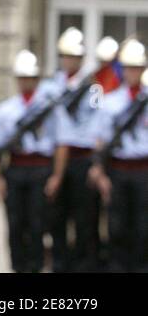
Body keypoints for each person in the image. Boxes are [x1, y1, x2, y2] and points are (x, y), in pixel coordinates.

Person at [0, 50, 57, 273]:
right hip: (15, 168)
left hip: (39, 168)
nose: (26, 82)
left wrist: (55, 175)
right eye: (23, 77)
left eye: (31, 77)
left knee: (37, 223)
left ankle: (35, 267)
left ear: (37, 80)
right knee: (15, 224)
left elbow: (59, 143)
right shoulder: (5, 110)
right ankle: (17, 268)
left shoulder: (47, 107)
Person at [88, 38, 147, 273]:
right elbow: (100, 141)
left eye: (137, 67)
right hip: (118, 169)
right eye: (129, 67)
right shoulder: (110, 102)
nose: (133, 72)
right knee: (117, 225)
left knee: (144, 226)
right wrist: (100, 173)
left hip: (144, 169)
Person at [45, 27, 102, 272]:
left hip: (82, 157)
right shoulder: (51, 86)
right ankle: (59, 265)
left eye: (75, 57)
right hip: (56, 158)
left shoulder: (93, 88)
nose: (70, 61)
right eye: (66, 56)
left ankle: (82, 267)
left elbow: (98, 122)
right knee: (56, 217)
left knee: (84, 219)